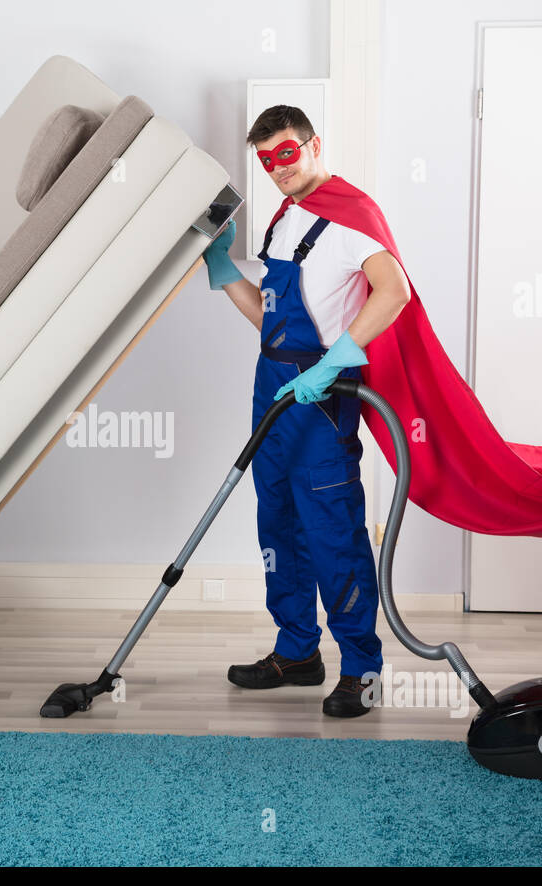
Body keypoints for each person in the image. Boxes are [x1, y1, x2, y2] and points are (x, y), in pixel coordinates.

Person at [203, 105, 411, 717]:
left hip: (322, 394)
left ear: (314, 145)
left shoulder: (353, 216)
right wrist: (223, 268)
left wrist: (336, 360)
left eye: (287, 153)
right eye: (267, 159)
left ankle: (363, 669)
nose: (278, 167)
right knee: (279, 523)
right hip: (272, 386)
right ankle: (297, 651)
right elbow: (271, 322)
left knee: (331, 530)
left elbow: (394, 290)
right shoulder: (283, 220)